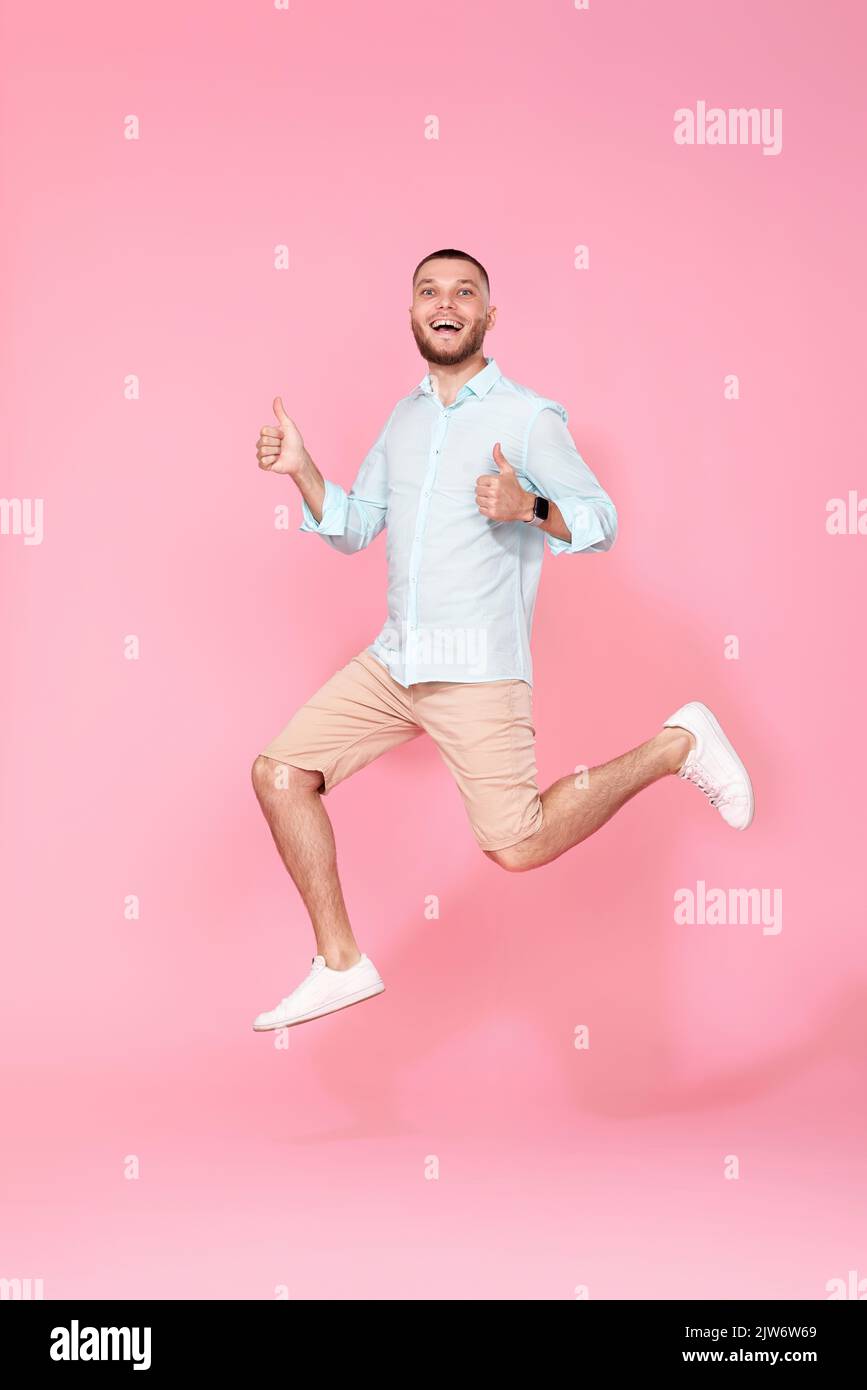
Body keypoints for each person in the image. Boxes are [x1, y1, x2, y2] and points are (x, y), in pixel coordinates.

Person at [249, 248, 754, 1032]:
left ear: (488, 315)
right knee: (281, 775)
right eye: (428, 292)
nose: (444, 304)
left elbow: (601, 521)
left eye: (463, 293)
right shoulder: (404, 417)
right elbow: (352, 527)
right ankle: (341, 962)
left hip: (478, 671)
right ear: (411, 312)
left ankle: (675, 746)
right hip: (395, 662)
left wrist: (529, 506)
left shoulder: (527, 416)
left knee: (515, 847)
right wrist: (303, 469)